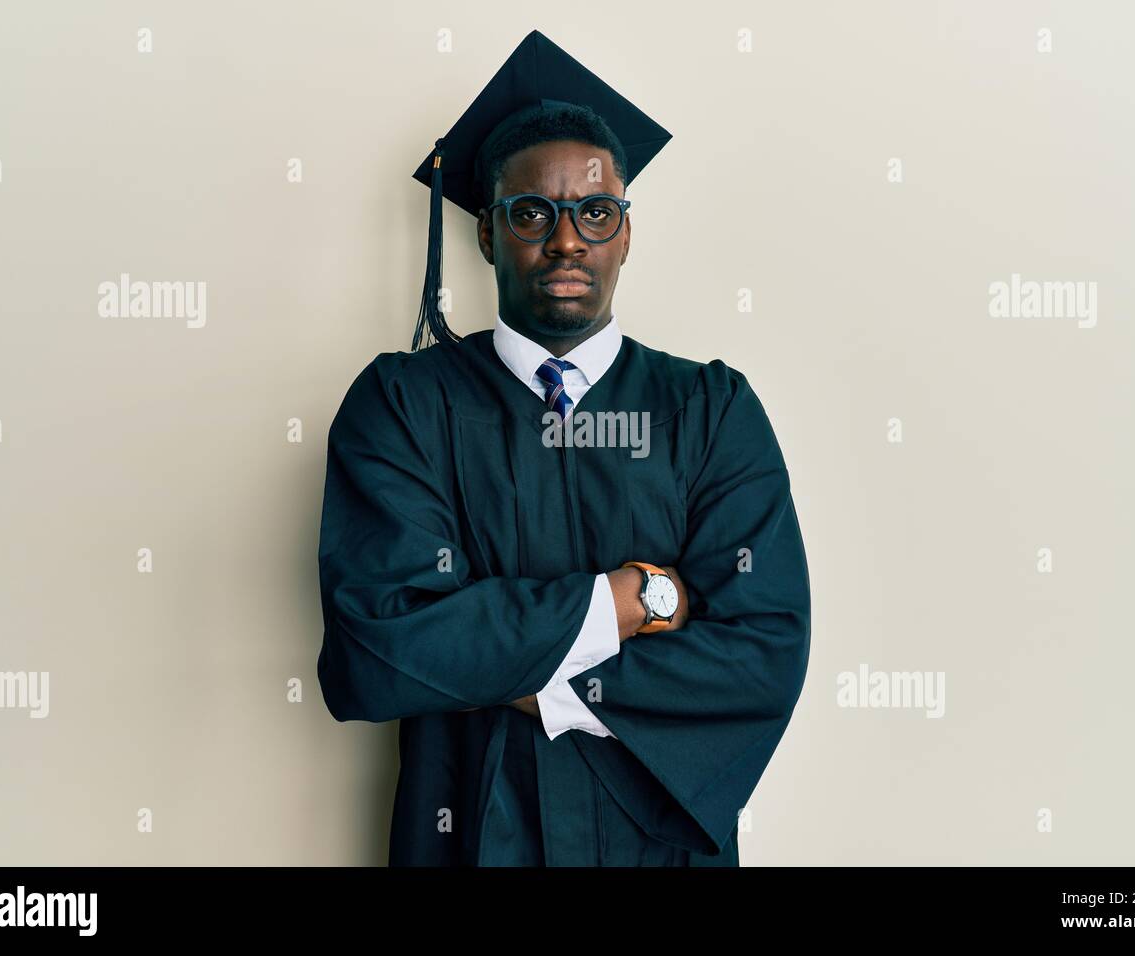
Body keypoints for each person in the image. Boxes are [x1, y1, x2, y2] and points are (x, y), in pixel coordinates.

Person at [316, 29, 811, 866]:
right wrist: (630, 603)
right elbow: (379, 644)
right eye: (532, 212)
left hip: (659, 840)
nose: (567, 239)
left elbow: (761, 652)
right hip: (466, 831)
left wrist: (508, 667)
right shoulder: (403, 404)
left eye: (595, 211)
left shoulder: (710, 409)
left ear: (625, 232)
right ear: (486, 234)